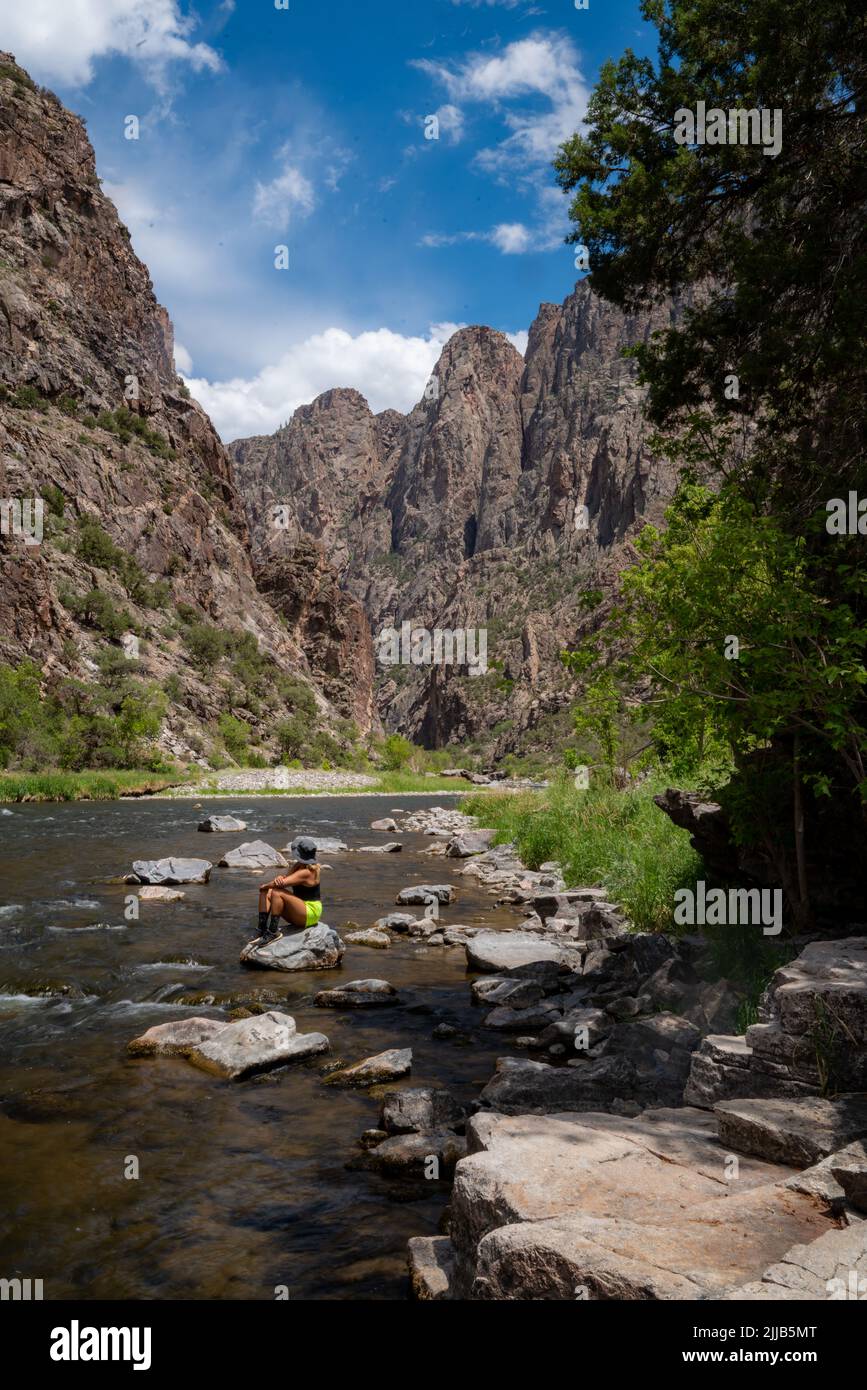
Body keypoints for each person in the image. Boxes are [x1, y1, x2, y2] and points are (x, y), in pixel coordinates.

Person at [252, 836, 324, 944]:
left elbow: (281, 885)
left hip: (311, 912)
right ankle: (261, 928)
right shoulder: (298, 866)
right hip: (300, 909)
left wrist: (265, 885)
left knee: (276, 892)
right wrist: (279, 878)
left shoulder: (307, 872)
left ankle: (273, 932)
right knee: (268, 892)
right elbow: (284, 880)